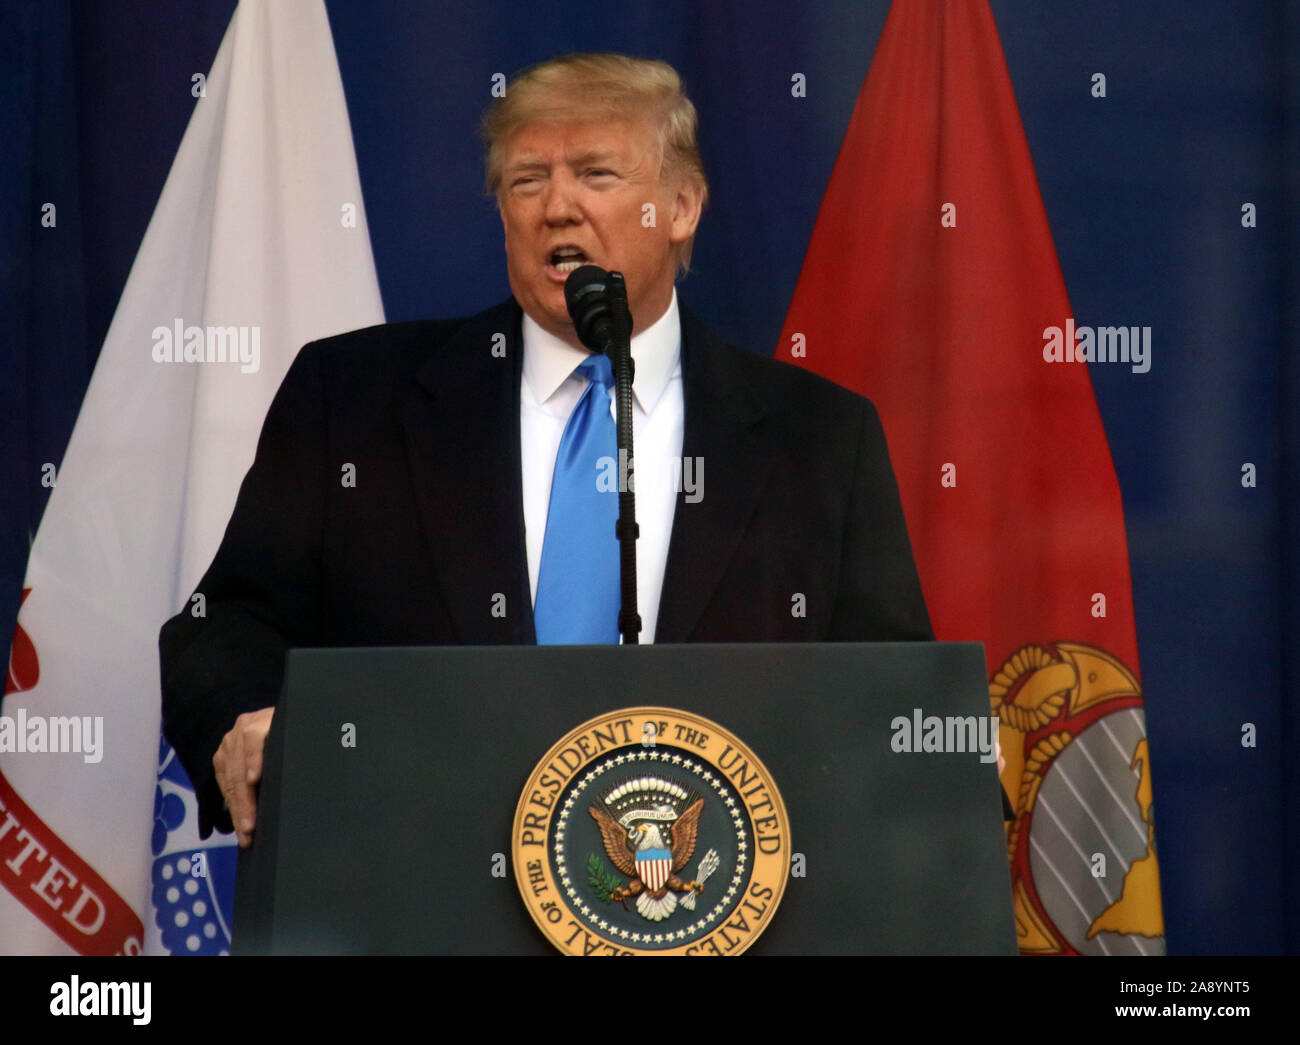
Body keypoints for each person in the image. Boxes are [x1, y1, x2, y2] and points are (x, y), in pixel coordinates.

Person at [159, 53, 932, 849]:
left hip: (711, 896)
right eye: (527, 181)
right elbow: (224, 625)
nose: (557, 206)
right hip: (414, 882)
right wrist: (252, 723)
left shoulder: (819, 438)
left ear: (682, 205)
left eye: (596, 174)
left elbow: (890, 693)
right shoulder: (353, 401)